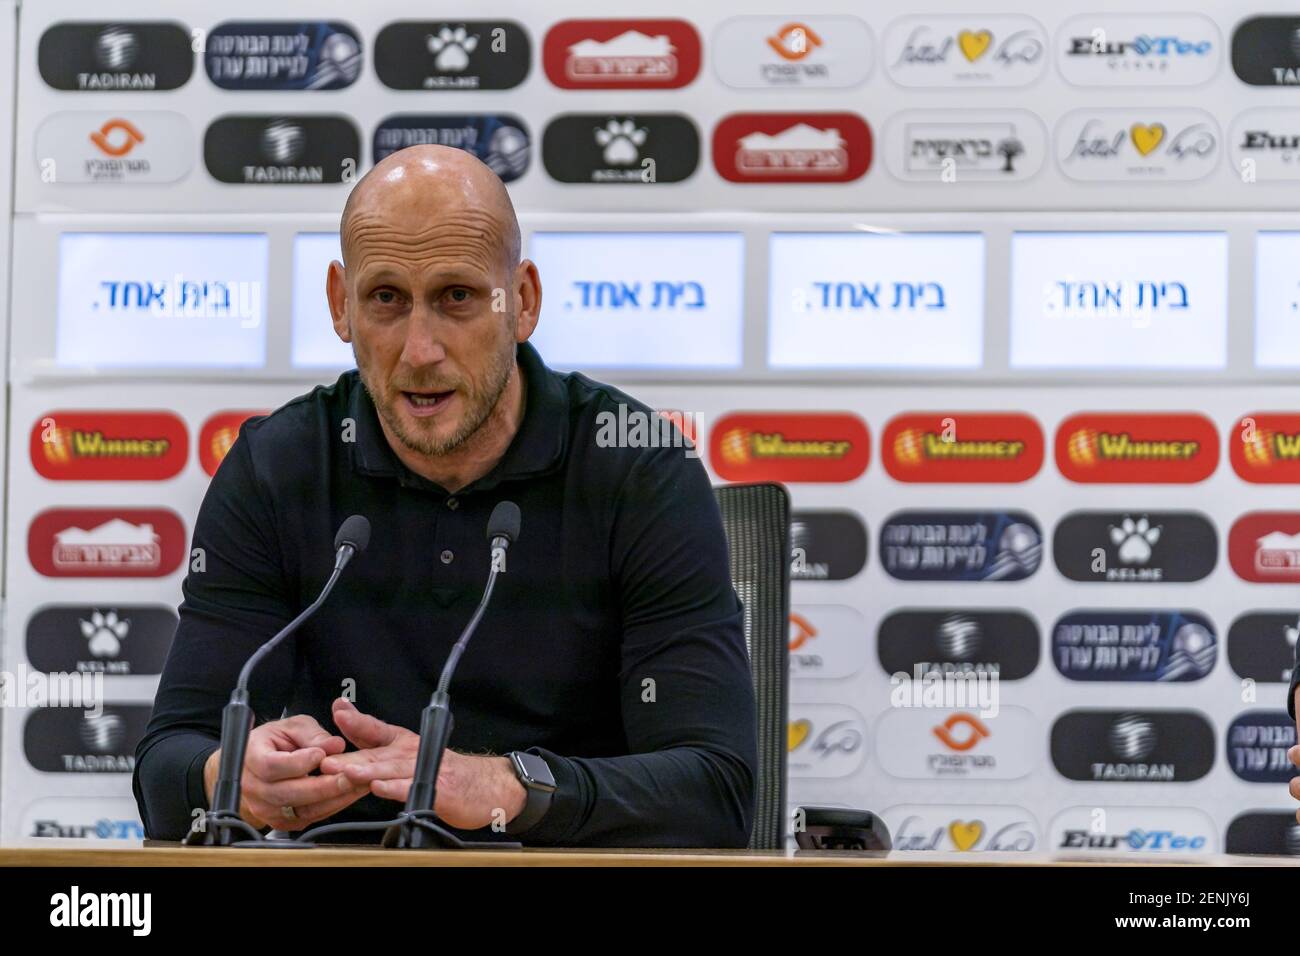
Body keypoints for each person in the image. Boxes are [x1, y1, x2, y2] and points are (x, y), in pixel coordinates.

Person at [132, 145, 757, 847]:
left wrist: (509, 789)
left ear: (522, 301)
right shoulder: (276, 468)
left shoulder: (637, 466)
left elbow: (716, 792)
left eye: (456, 297)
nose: (420, 349)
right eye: (386, 300)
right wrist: (229, 778)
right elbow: (165, 767)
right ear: (342, 305)